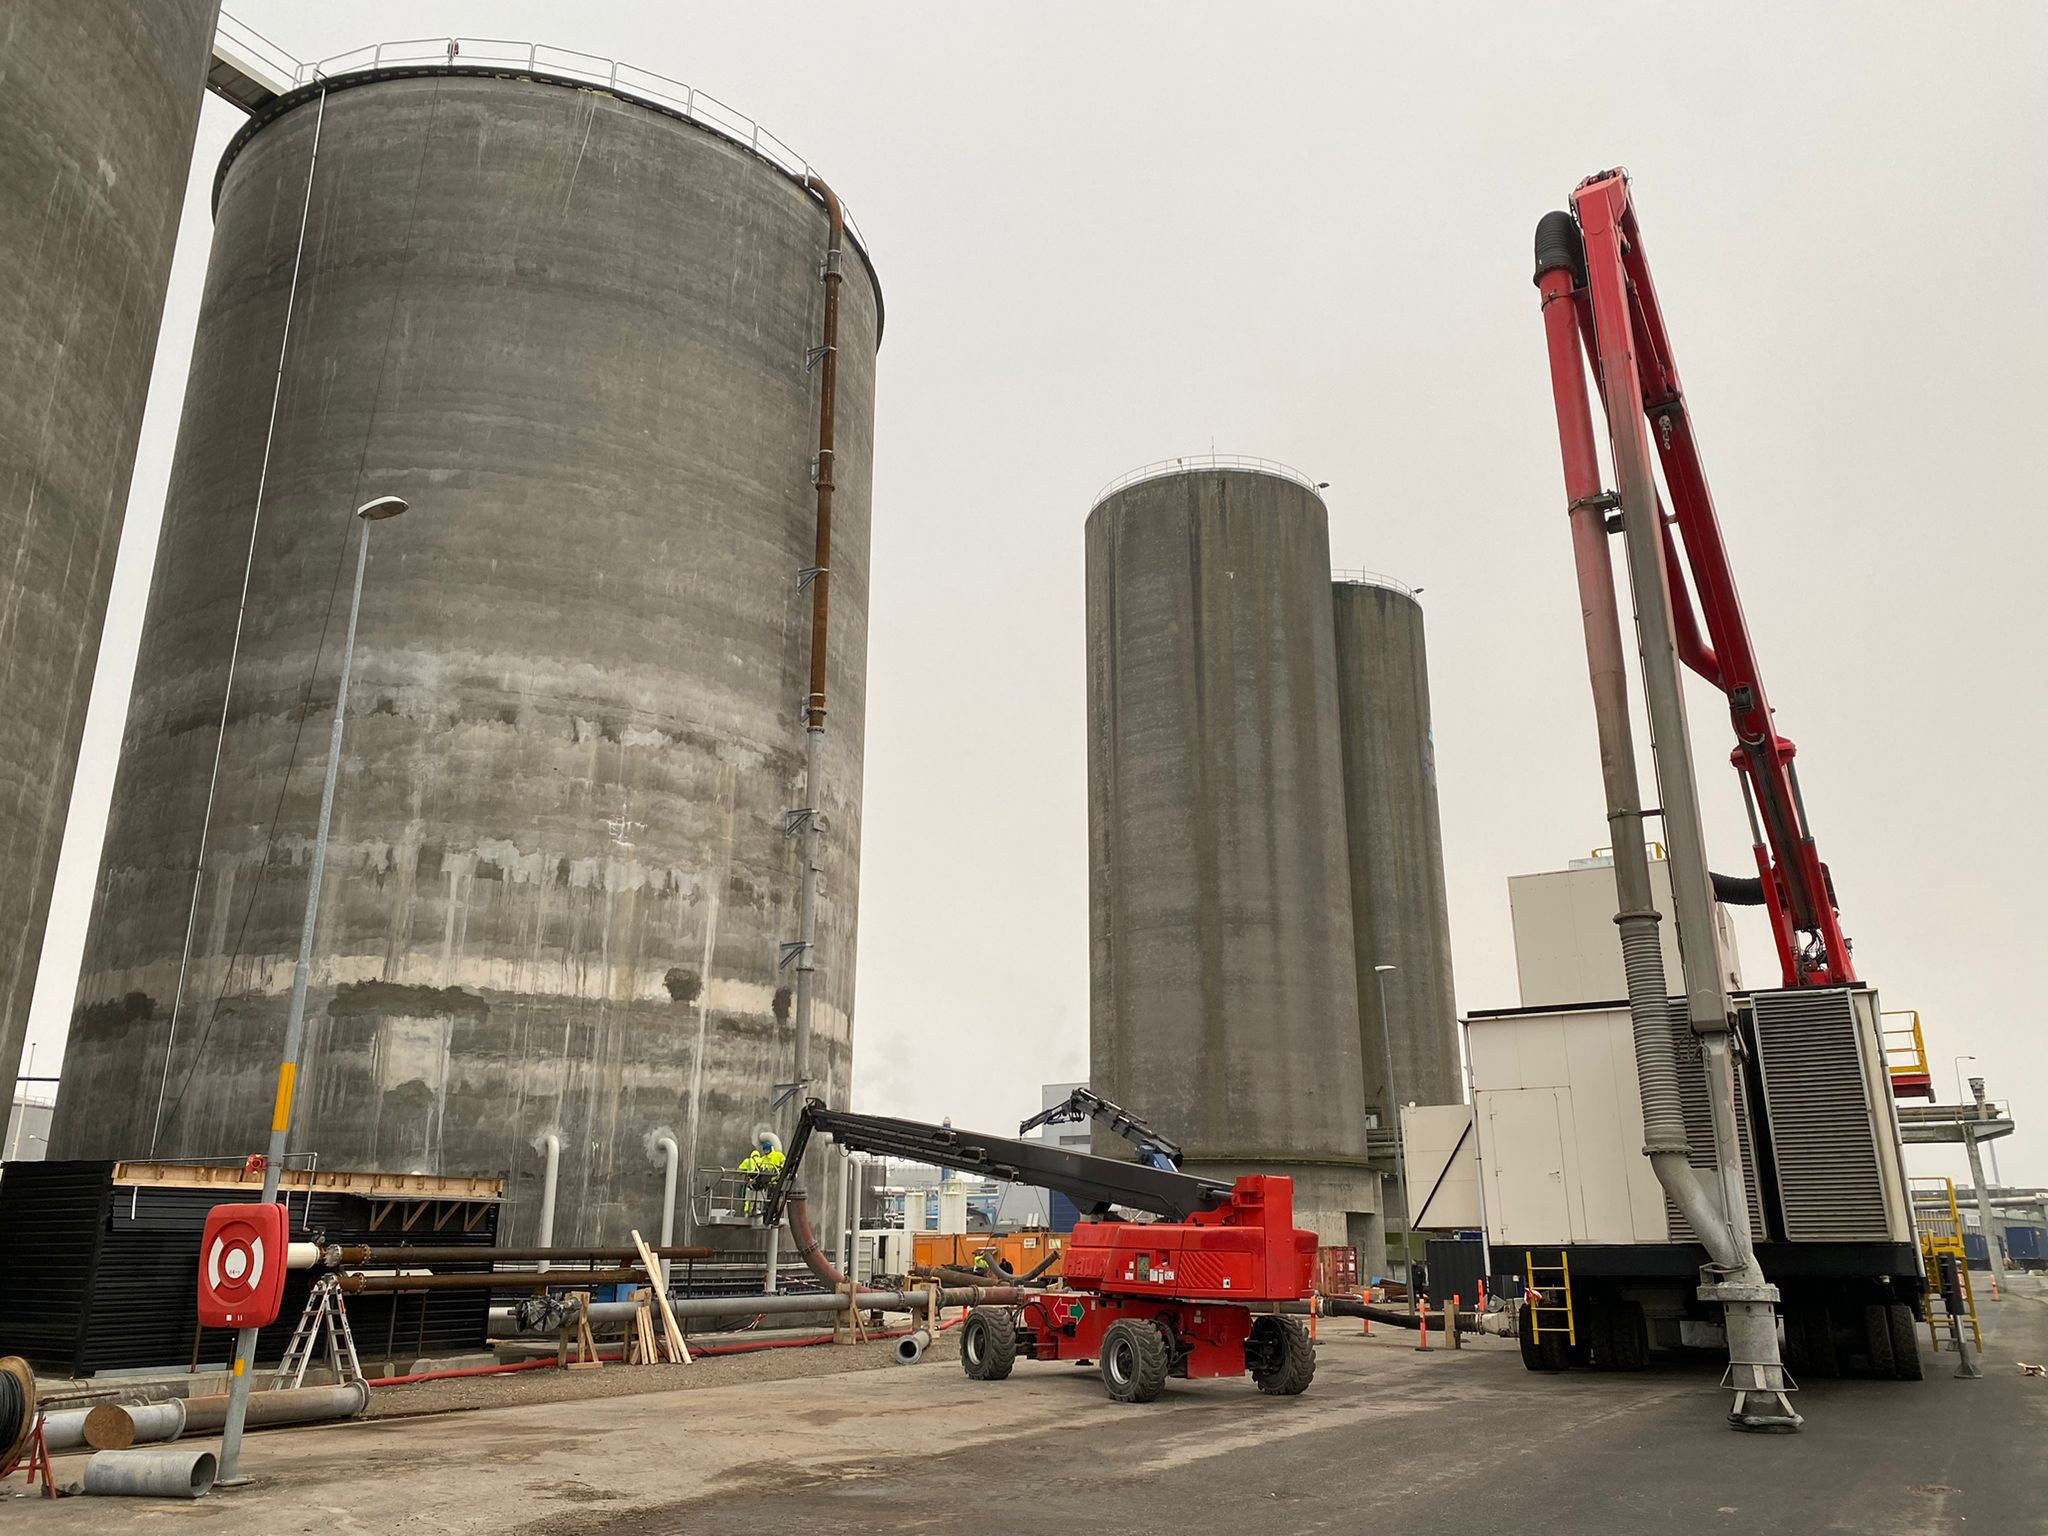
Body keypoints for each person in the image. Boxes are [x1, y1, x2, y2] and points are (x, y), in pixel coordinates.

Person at [738, 1136, 784, 1216]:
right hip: (766, 1181)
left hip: (772, 1180)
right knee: (768, 1197)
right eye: (764, 1150)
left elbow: (784, 1161)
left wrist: (781, 1169)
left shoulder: (777, 1155)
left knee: (754, 1195)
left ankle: (755, 1210)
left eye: (767, 1149)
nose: (766, 1151)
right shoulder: (763, 1159)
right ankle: (764, 1211)